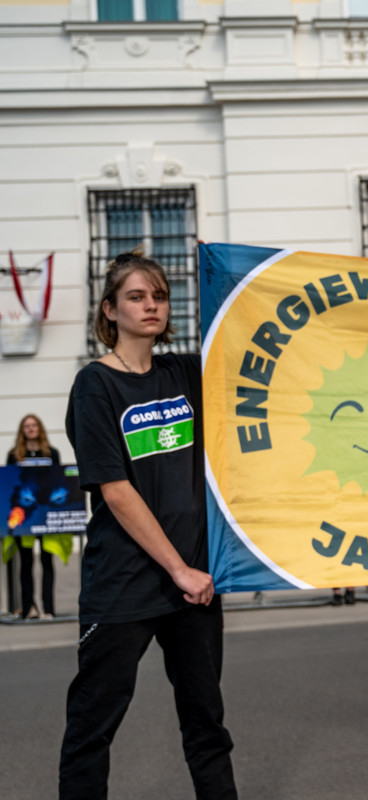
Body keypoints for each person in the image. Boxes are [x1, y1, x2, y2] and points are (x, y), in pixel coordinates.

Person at [59, 251, 237, 799]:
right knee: (92, 728)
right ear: (110, 310)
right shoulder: (95, 386)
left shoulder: (183, 372)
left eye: (158, 295)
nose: (151, 305)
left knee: (206, 724)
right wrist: (178, 568)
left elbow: (244, 356)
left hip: (194, 585)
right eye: (136, 297)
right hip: (126, 582)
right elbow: (115, 489)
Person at [5, 413, 72, 618]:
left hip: (46, 516)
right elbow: (9, 483)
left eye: (34, 425)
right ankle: (28, 608)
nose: (31, 428)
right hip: (24, 518)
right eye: (27, 426)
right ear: (22, 430)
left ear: (39, 428)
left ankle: (48, 609)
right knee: (25, 563)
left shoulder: (51, 453)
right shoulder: (14, 454)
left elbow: (58, 481)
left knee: (46, 561)